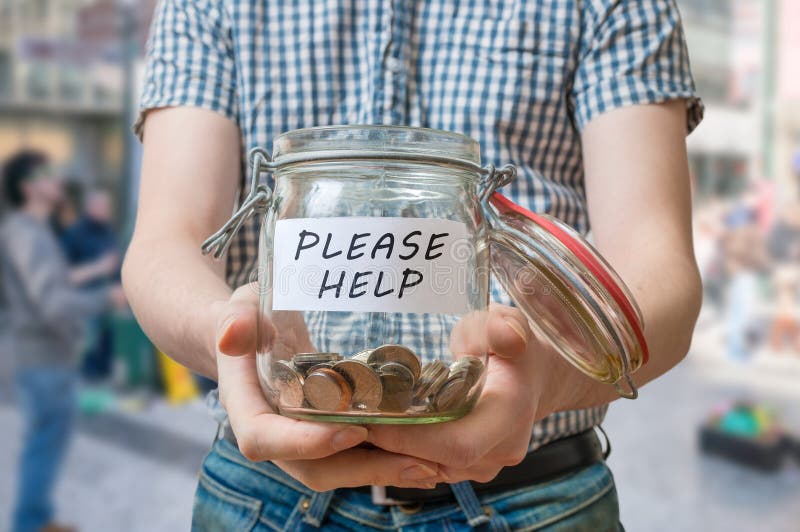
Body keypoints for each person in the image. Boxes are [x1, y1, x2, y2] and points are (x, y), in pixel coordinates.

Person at [123, 1, 704, 529]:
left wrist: (544, 377)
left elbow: (659, 268)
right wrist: (234, 342)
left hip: (534, 495)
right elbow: (166, 245)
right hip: (261, 495)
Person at [0, 151, 124, 532]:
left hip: (48, 357)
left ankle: (37, 518)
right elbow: (53, 304)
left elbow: (55, 284)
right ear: (28, 187)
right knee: (44, 448)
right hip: (44, 360)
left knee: (46, 447)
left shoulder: (35, 232)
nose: (58, 179)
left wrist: (95, 274)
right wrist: (107, 298)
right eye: (48, 173)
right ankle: (29, 524)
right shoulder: (26, 234)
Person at [60, 187, 121, 380]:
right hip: (84, 308)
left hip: (109, 306)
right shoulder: (74, 234)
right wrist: (99, 268)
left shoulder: (108, 232)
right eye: (103, 205)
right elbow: (64, 276)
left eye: (108, 206)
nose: (107, 210)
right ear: (90, 207)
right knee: (87, 360)